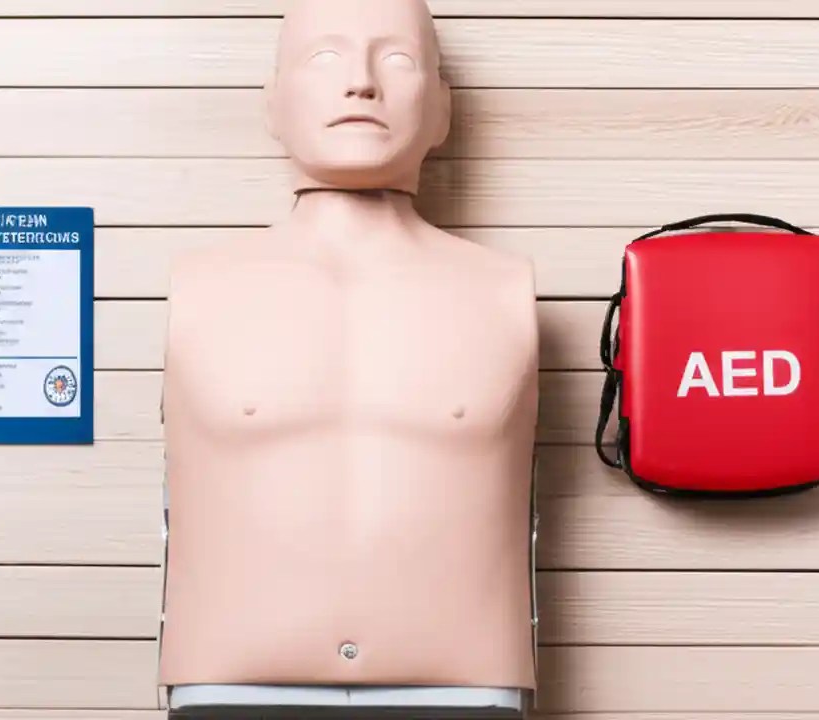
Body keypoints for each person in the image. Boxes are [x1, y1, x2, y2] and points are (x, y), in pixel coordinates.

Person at [158, 1, 540, 715]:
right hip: (228, 680)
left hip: (466, 686)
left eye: (397, 58)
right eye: (324, 57)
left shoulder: (503, 287)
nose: (361, 82)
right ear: (272, 104)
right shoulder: (201, 283)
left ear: (444, 110)